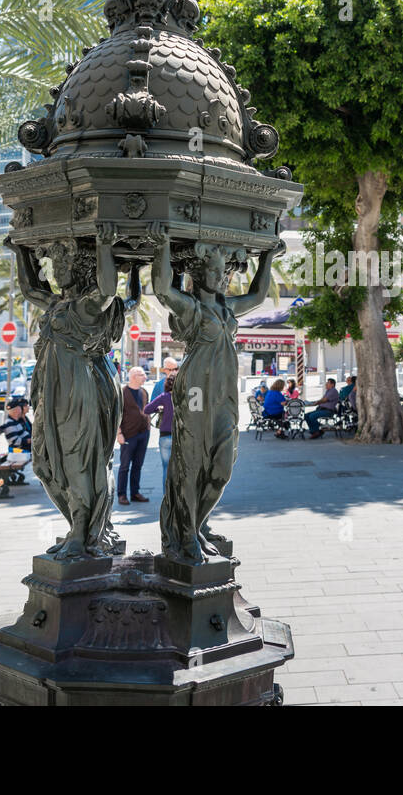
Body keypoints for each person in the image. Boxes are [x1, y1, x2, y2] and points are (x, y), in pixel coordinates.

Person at [147, 221, 283, 562]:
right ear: (201, 274)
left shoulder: (226, 308)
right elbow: (164, 289)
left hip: (223, 392)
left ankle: (198, 521)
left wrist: (267, 258)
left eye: (224, 271)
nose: (221, 276)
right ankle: (189, 533)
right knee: (191, 462)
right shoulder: (192, 307)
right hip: (195, 389)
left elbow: (257, 296)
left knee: (222, 463)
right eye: (215, 270)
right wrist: (162, 245)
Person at [6, 225, 130, 559]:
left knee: (77, 459)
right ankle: (80, 524)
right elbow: (31, 290)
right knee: (45, 462)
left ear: (79, 268)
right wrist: (20, 254)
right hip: (51, 388)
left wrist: (105, 245)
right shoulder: (61, 303)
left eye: (62, 266)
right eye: (55, 266)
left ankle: (82, 530)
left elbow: (107, 290)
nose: (56, 272)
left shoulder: (86, 308)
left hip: (75, 388)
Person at [116, 366, 151, 504]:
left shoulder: (144, 392)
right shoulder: (122, 393)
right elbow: (117, 414)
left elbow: (146, 408)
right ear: (133, 376)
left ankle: (135, 492)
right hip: (128, 434)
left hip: (144, 433)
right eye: (142, 375)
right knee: (125, 466)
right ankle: (122, 495)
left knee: (138, 465)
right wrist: (119, 433)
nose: (145, 377)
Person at [144, 374, 175, 494]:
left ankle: (166, 496)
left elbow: (147, 410)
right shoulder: (182, 398)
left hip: (165, 436)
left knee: (166, 468)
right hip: (180, 437)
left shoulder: (164, 397)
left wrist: (159, 409)